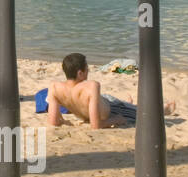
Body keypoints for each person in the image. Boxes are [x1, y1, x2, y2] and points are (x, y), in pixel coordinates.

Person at [45, 52, 173, 129]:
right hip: (114, 109)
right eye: (86, 68)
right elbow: (96, 126)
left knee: (131, 108)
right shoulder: (91, 86)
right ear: (80, 73)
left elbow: (53, 122)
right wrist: (117, 120)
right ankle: (160, 110)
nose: (88, 70)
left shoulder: (55, 87)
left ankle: (155, 108)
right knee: (145, 115)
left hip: (107, 103)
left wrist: (63, 121)